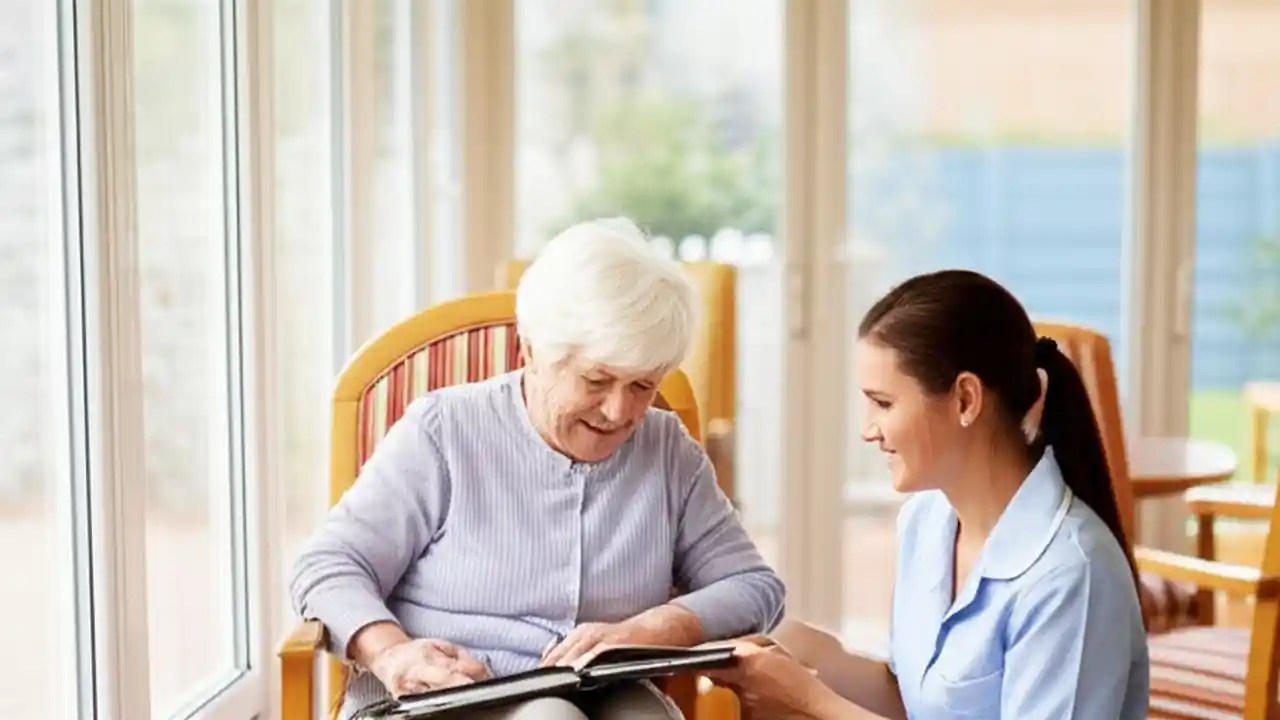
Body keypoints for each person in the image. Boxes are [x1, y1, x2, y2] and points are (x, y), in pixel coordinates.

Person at [290, 218, 785, 720]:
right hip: (438, 697)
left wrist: (655, 629)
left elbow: (753, 585)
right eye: (597, 379)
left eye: (643, 386)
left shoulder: (666, 449)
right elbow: (327, 566)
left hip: (600, 696)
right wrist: (391, 652)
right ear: (531, 351)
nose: (618, 412)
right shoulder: (444, 432)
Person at [710, 269, 1148, 719]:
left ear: (965, 400)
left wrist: (810, 702)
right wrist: (803, 651)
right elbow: (915, 701)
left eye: (883, 403)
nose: (868, 430)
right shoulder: (927, 519)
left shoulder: (1070, 574)